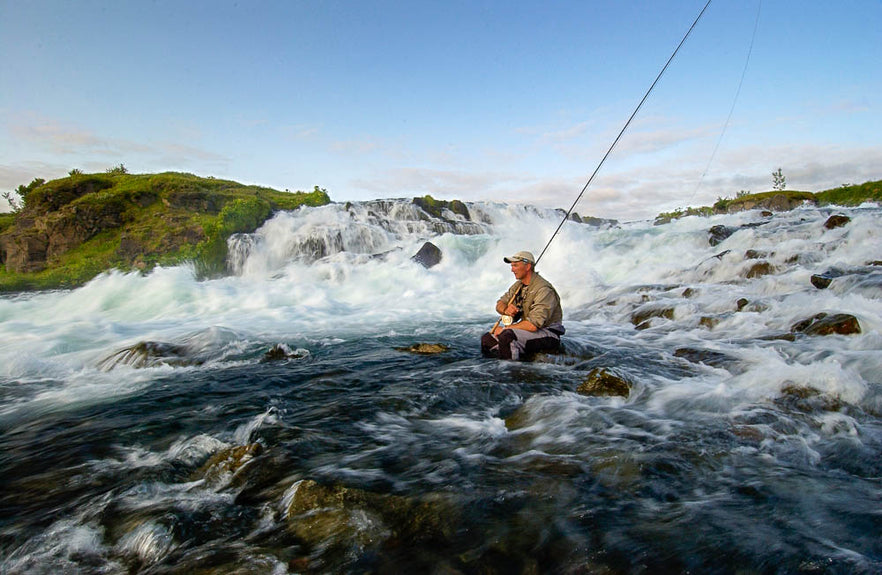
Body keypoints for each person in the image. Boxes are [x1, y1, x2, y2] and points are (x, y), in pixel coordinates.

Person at [480, 251, 565, 360]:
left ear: (528, 266)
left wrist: (506, 328)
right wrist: (506, 309)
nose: (512, 269)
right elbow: (499, 304)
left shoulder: (544, 290)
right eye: (511, 266)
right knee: (487, 339)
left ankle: (511, 372)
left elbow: (533, 325)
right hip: (529, 331)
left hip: (548, 334)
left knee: (507, 336)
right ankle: (495, 369)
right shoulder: (519, 285)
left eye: (515, 265)